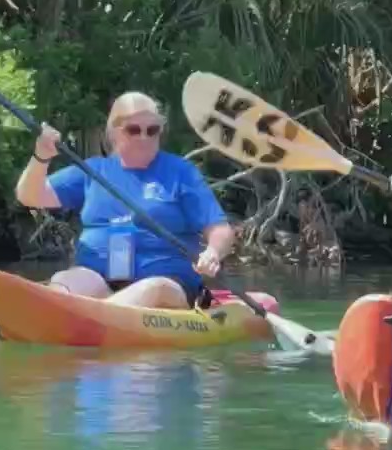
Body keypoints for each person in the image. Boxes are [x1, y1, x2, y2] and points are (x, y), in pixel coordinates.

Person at [14, 91, 235, 309]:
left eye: (152, 130)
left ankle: (93, 316)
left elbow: (219, 229)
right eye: (134, 130)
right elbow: (29, 196)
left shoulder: (182, 173)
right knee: (66, 279)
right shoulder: (93, 170)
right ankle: (71, 311)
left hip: (167, 285)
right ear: (114, 132)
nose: (144, 137)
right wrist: (41, 157)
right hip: (101, 280)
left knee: (154, 288)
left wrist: (213, 252)